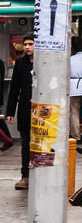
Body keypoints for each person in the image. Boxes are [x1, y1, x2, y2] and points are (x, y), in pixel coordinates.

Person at [6, 36, 34, 189]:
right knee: (25, 143)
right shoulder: (20, 64)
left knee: (43, 144)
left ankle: (42, 174)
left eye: (30, 44)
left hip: (43, 109)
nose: (27, 47)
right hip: (24, 108)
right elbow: (15, 88)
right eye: (25, 44)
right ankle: (25, 176)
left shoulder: (45, 62)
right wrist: (10, 111)